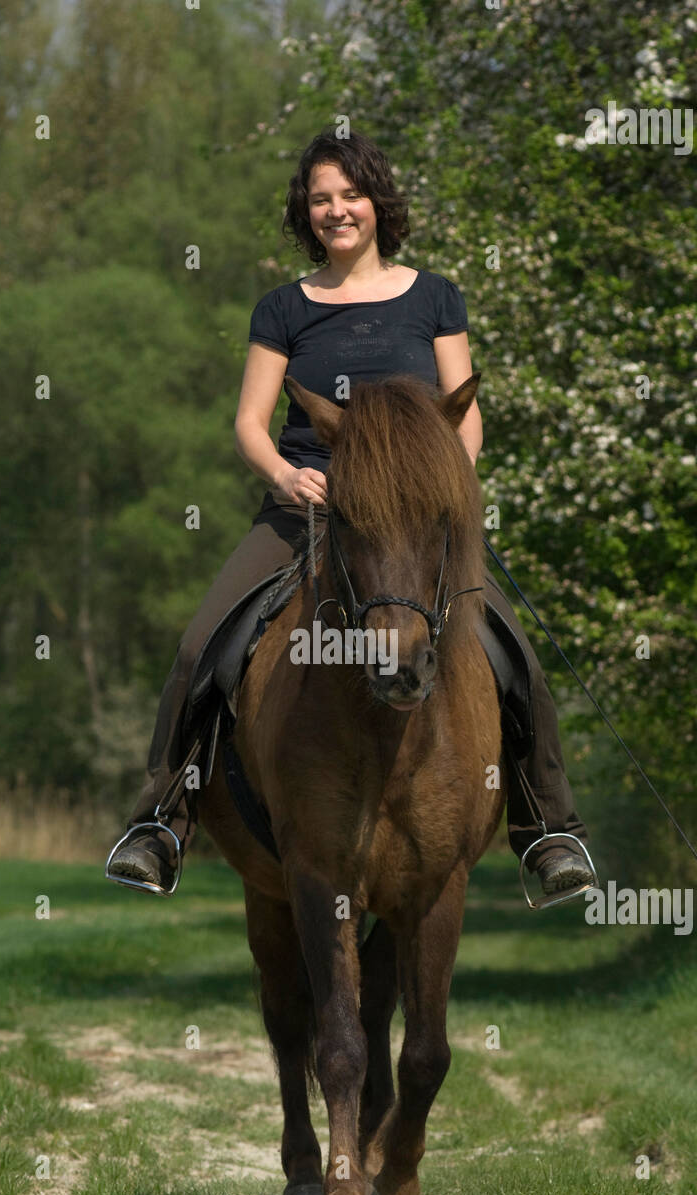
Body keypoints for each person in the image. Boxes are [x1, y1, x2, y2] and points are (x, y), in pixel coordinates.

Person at [107, 127, 594, 899]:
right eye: (320, 199)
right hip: (308, 512)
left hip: (412, 523)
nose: (335, 210)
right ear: (307, 214)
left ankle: (548, 830)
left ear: (377, 202)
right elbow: (248, 421)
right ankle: (159, 823)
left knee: (516, 660)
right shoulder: (283, 308)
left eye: (349, 196)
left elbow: (464, 411)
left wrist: (445, 483)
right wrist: (284, 473)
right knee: (201, 645)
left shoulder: (433, 296)